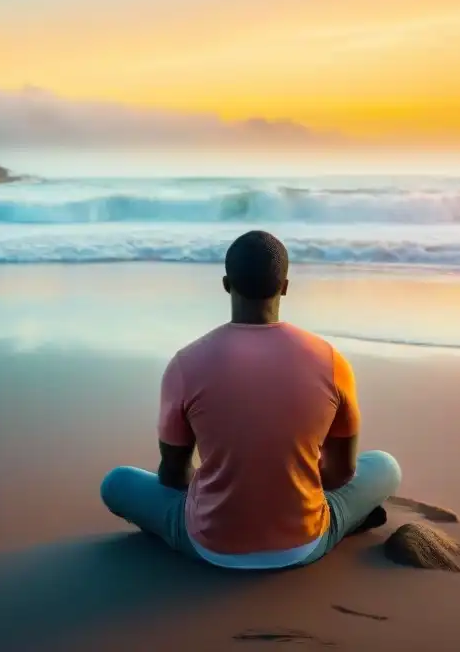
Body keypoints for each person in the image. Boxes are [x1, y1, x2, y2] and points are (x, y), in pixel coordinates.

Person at [100, 230, 401, 569]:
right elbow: (342, 473)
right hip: (304, 544)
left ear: (227, 284)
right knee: (385, 466)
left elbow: (173, 475)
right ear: (285, 286)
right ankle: (343, 523)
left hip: (211, 546)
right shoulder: (331, 361)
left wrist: (218, 488)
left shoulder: (186, 363)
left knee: (117, 483)